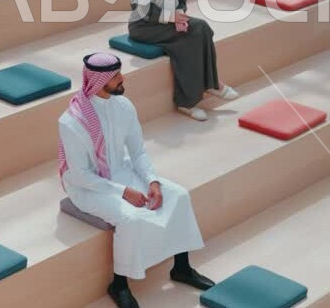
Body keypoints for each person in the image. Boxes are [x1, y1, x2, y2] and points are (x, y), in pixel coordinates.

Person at [58, 53, 215, 308]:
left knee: (179, 194)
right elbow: (79, 175)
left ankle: (182, 268)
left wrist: (152, 181)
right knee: (129, 218)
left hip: (122, 172)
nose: (122, 78)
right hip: (87, 187)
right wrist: (123, 192)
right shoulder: (72, 122)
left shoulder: (124, 106)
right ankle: (119, 285)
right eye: (116, 76)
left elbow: (138, 151)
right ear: (99, 81)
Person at [129, 0, 239, 121]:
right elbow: (140, 7)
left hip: (167, 20)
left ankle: (212, 84)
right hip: (144, 25)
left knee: (202, 29)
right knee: (189, 37)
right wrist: (172, 17)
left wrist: (179, 14)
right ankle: (186, 101)